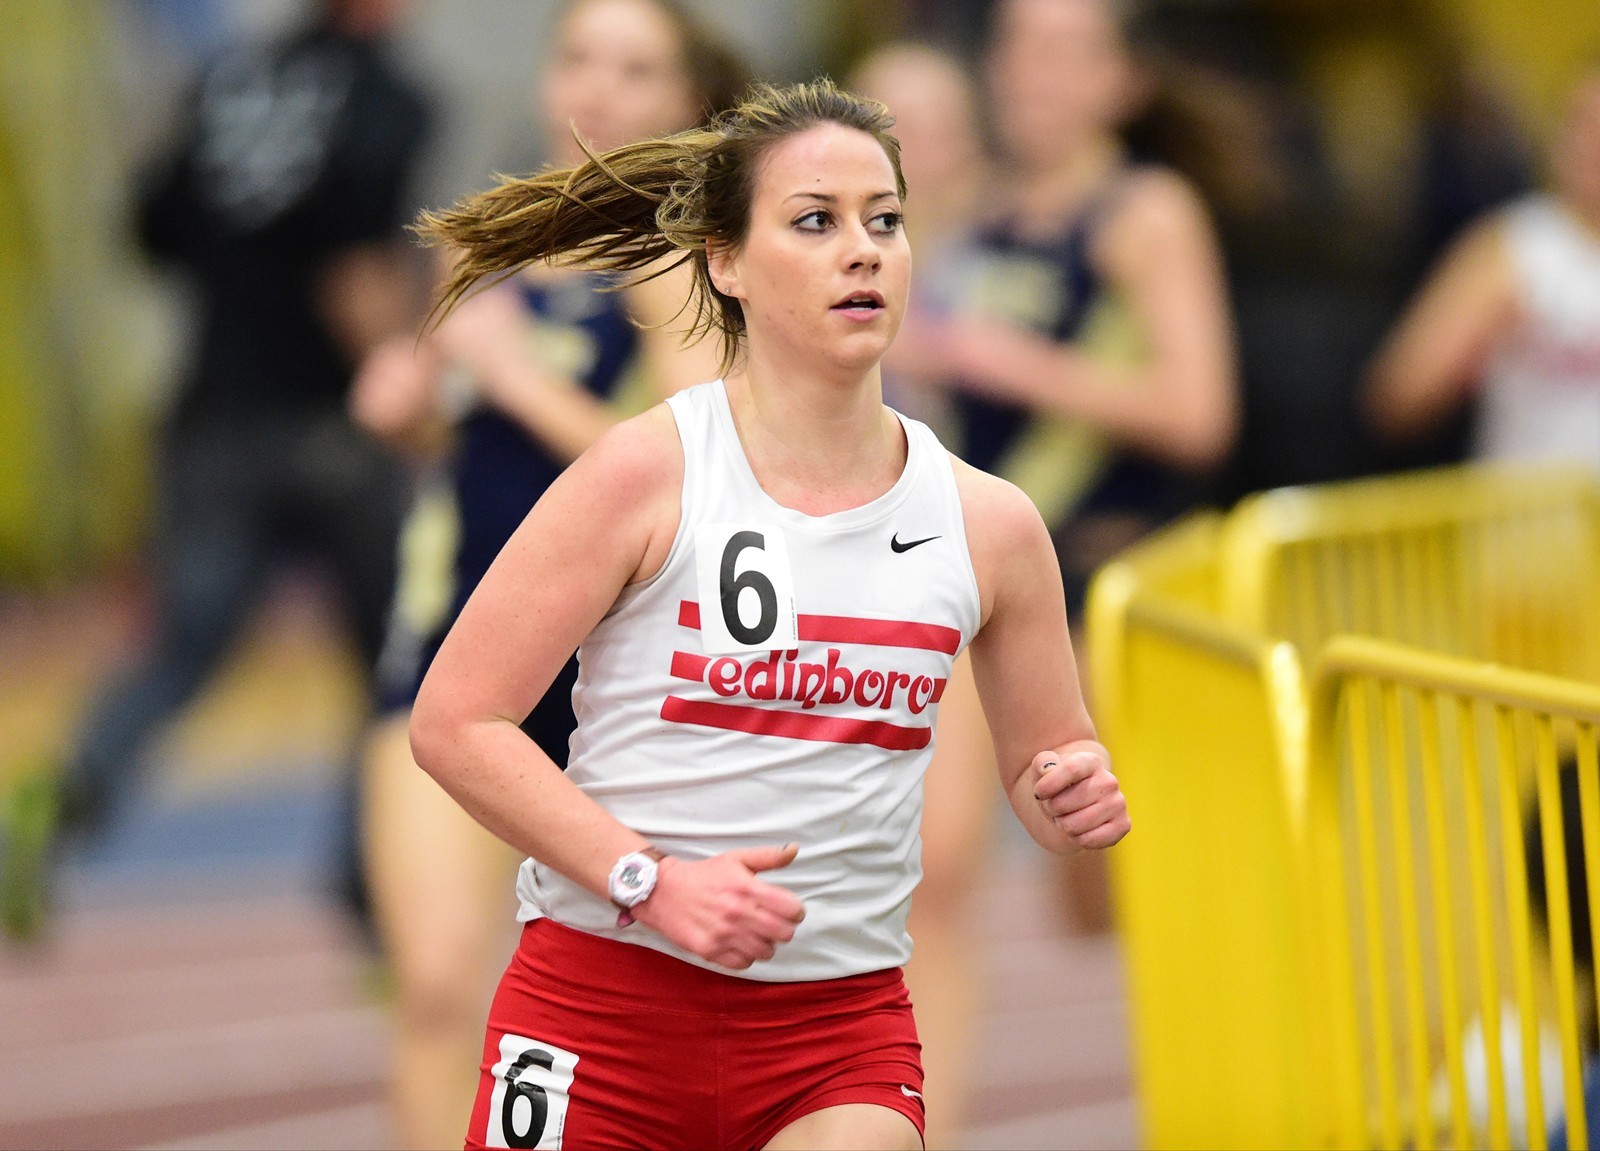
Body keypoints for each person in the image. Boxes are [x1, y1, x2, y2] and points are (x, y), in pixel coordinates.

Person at [405, 77, 1130, 1150]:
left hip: (836, 1039)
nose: (863, 251)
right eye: (815, 221)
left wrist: (1073, 791)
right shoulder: (645, 473)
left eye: (885, 220)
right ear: (726, 261)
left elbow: (1047, 771)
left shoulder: (991, 524)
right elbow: (454, 720)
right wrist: (650, 881)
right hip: (601, 1017)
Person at [348, 2, 744, 1146]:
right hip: (455, 649)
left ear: (686, 102)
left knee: (640, 1018)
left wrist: (513, 374)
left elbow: (689, 468)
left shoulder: (678, 262)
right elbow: (466, 444)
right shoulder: (484, 248)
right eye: (579, 58)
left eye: (637, 68)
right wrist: (413, 412)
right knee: (435, 984)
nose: (599, 88)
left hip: (615, 675)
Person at [0, 0, 433, 942]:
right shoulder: (385, 95)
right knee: (403, 660)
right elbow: (354, 270)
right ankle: (373, 881)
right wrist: (409, 402)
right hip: (335, 423)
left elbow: (148, 228)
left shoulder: (230, 81)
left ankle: (66, 794)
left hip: (211, 420)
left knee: (180, 648)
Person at [881, 0, 1236, 934]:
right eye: (1019, 47)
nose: (1034, 72)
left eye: (1065, 52)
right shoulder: (977, 210)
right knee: (942, 863)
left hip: (1107, 576)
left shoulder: (1144, 211)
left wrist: (1014, 363)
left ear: (1124, 82)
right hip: (979, 579)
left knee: (1112, 886)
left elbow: (1200, 413)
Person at [846, 42, 998, 1150]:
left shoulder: (1008, 261)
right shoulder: (812, 256)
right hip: (811, 598)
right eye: (887, 119)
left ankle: (918, 1123)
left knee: (934, 874)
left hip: (944, 594)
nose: (911, 144)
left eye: (933, 123)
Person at [1363, 61, 1600, 474]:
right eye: (1580, 125)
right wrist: (1460, 369)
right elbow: (1396, 398)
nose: (1588, 146)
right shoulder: (1514, 247)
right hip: (1530, 506)